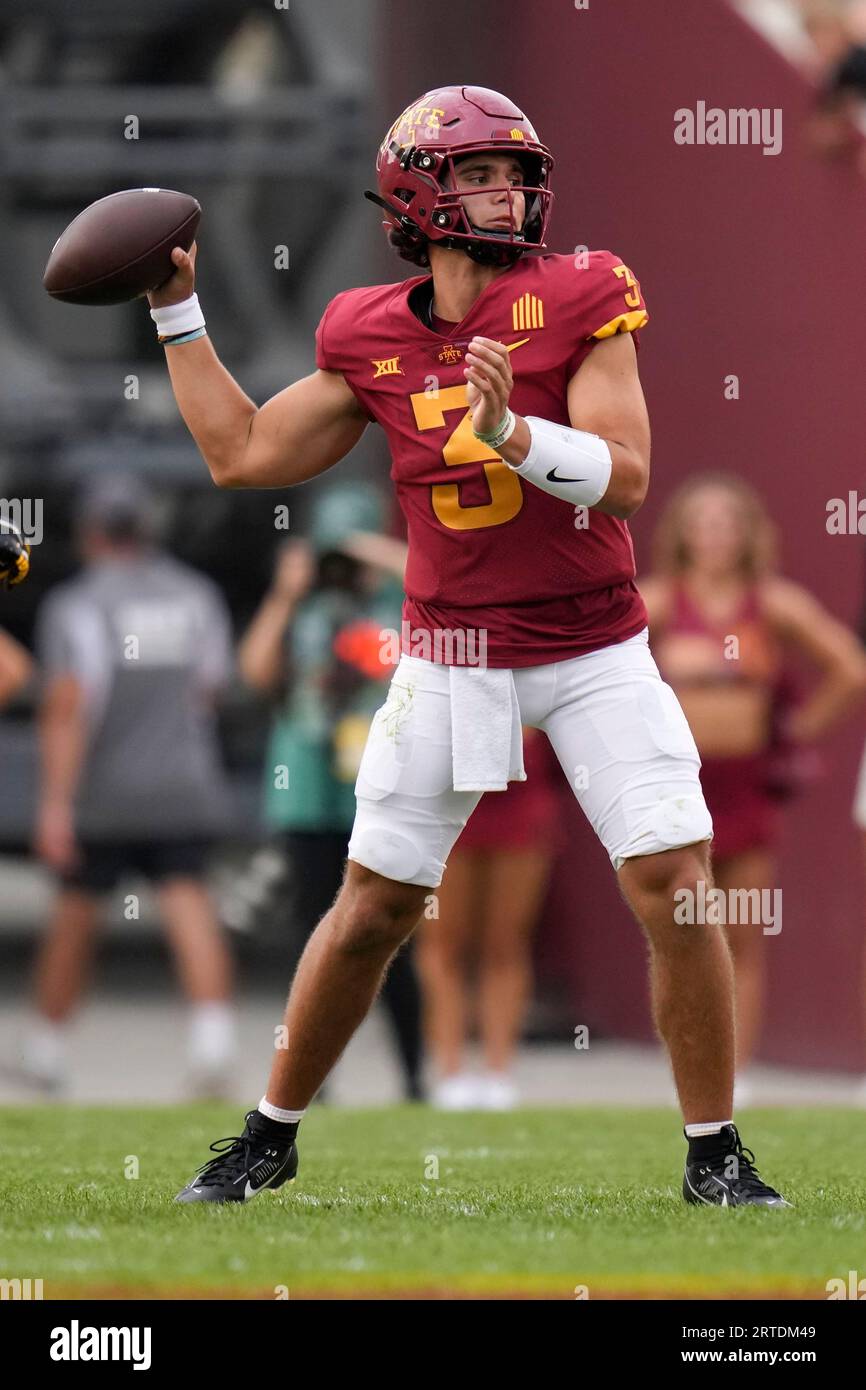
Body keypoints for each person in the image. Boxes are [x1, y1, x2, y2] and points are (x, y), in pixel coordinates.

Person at [153, 84, 789, 1207]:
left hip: (592, 642)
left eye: (516, 171)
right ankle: (267, 1134)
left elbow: (628, 476)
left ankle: (715, 1153)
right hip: (450, 651)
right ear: (415, 192)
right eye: (481, 173)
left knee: (674, 883)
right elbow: (242, 452)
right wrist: (177, 315)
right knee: (373, 909)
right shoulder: (366, 328)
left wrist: (508, 433)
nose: (509, 190)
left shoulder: (581, 291)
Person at [641, 474, 866, 1107]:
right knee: (681, 926)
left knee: (741, 926)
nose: (714, 536)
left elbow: (850, 665)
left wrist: (798, 728)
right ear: (682, 534)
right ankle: (688, 1068)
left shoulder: (773, 603)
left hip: (746, 786)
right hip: (678, 782)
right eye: (702, 523)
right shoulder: (657, 600)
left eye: (727, 524)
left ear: (748, 536)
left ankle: (735, 1078)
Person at [23, 474, 238, 1098]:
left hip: (105, 790)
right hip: (182, 782)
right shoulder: (197, 596)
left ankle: (46, 1049)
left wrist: (55, 806)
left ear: (91, 533)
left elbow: (68, 706)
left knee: (75, 915)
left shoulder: (79, 604)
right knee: (190, 902)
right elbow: (210, 688)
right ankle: (213, 1044)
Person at [238, 481, 424, 1101]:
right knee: (316, 931)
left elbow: (428, 577)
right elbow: (255, 672)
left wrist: (373, 552)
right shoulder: (307, 611)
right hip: (310, 788)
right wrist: (286, 595)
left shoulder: (401, 601)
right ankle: (312, 1082)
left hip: (383, 784)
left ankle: (415, 1076)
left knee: (390, 930)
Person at [417, 728, 564, 1109]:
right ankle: (450, 1072)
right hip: (448, 795)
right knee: (443, 942)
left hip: (521, 797)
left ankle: (499, 1073)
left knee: (506, 941)